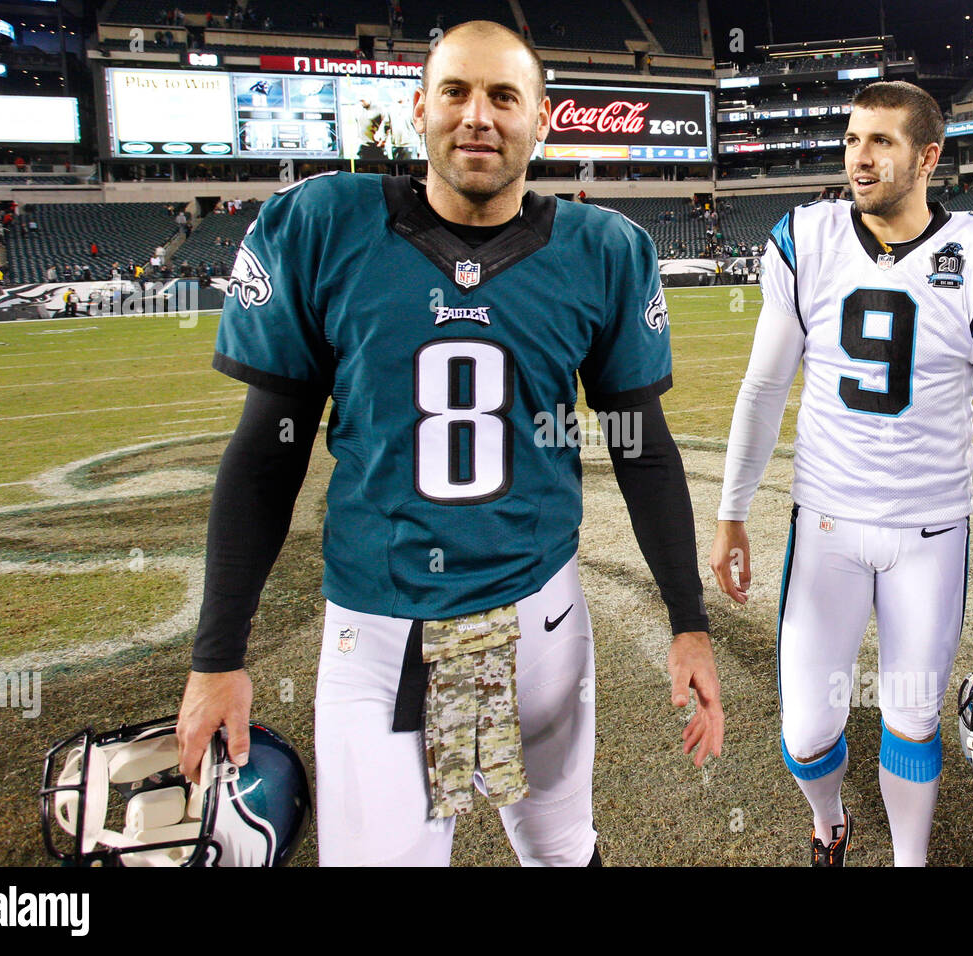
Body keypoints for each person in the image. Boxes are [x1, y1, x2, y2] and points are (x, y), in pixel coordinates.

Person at [175, 19, 723, 868]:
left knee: (561, 848)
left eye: (504, 96)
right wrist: (218, 657)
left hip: (541, 619)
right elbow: (267, 454)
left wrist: (689, 624)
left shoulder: (603, 251)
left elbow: (641, 450)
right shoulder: (323, 223)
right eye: (458, 92)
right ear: (419, 108)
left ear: (542, 118)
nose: (479, 116)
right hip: (378, 632)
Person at [709, 80, 973, 868]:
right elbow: (762, 388)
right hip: (825, 524)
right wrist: (731, 511)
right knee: (807, 731)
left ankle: (909, 860)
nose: (860, 156)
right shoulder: (809, 238)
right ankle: (828, 821)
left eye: (882, 141)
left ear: (928, 157)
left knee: (911, 720)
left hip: (931, 531)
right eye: (854, 138)